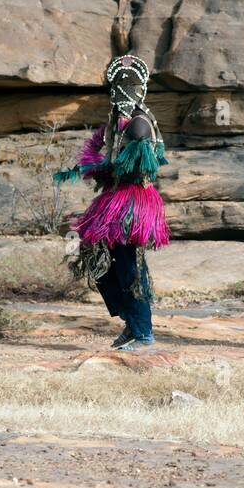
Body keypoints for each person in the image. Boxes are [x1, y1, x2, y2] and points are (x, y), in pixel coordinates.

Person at [55, 55, 169, 351]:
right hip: (116, 198)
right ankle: (132, 324)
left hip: (134, 203)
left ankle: (142, 333)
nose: (121, 93)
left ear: (140, 90)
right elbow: (114, 168)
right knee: (94, 255)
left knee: (130, 265)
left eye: (129, 86)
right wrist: (95, 165)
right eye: (117, 86)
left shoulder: (139, 125)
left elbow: (137, 167)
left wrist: (102, 165)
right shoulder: (117, 125)